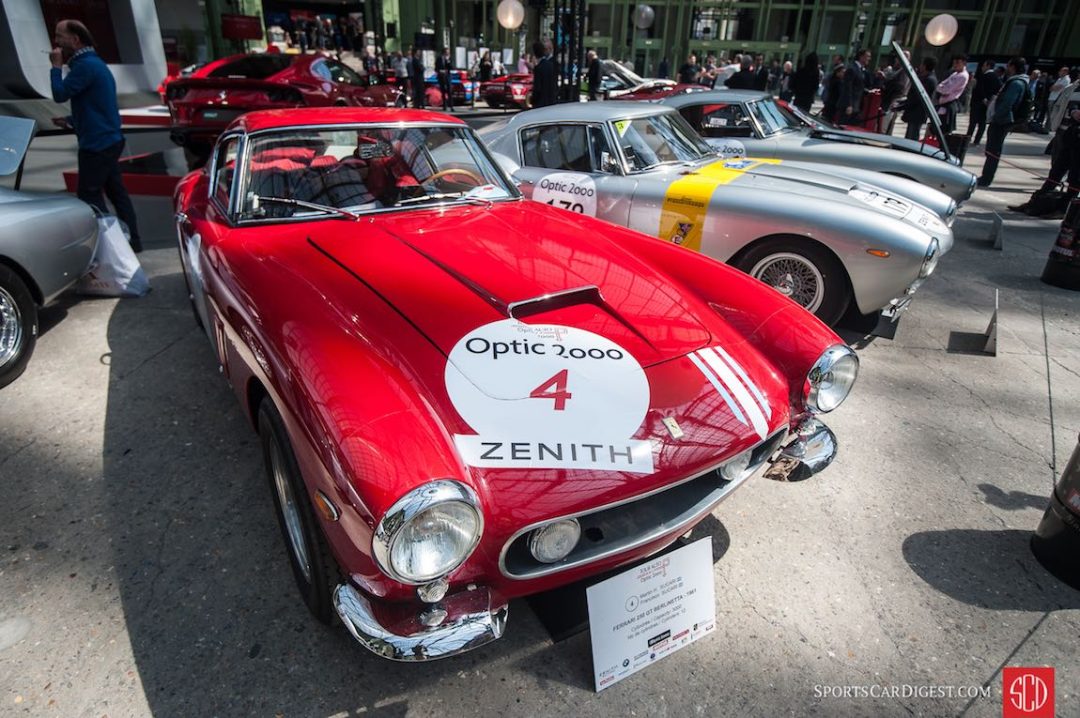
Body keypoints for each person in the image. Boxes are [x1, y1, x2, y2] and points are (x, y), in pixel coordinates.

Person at [49, 19, 141, 253]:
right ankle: (133, 243)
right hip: (109, 139)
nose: (56, 42)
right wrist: (70, 120)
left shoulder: (84, 67)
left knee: (89, 196)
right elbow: (96, 105)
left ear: (75, 40)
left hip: (96, 144)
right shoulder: (94, 64)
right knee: (115, 192)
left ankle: (113, 248)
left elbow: (60, 94)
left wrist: (55, 67)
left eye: (60, 36)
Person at [978, 56, 1030, 187]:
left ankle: (986, 178)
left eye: (1008, 65)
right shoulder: (1018, 81)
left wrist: (996, 116)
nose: (1007, 68)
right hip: (1003, 120)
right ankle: (986, 176)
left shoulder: (1016, 83)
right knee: (992, 150)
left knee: (993, 150)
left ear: (1013, 66)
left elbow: (1007, 103)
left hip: (1002, 121)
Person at [966, 60, 1001, 146]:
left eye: (984, 66)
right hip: (987, 104)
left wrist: (983, 98)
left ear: (988, 66)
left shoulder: (983, 76)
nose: (982, 68)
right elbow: (997, 90)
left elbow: (979, 89)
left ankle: (967, 138)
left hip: (978, 102)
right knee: (982, 123)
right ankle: (977, 141)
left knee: (973, 122)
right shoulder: (996, 78)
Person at [903, 57, 938, 141]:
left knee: (912, 135)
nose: (920, 66)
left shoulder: (929, 80)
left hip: (918, 112)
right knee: (909, 134)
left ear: (925, 66)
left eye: (922, 64)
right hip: (913, 111)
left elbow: (918, 97)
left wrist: (905, 105)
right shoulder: (923, 77)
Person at [933, 55, 970, 134]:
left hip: (949, 104)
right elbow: (941, 84)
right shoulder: (955, 74)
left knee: (943, 131)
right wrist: (941, 87)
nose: (955, 65)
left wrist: (942, 88)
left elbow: (947, 90)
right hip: (942, 103)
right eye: (954, 63)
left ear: (964, 63)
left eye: (957, 63)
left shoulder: (963, 76)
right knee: (935, 128)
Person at [880, 50, 912, 135]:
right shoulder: (895, 69)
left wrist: (886, 80)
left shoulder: (905, 71)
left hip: (895, 99)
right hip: (889, 99)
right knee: (886, 122)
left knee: (886, 123)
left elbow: (900, 86)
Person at [839, 49, 873, 125]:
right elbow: (848, 88)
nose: (869, 59)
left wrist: (867, 91)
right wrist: (849, 105)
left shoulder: (862, 70)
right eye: (867, 56)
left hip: (856, 106)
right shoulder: (852, 69)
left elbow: (859, 86)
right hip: (849, 106)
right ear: (861, 57)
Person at [531, 41, 556, 107]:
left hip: (540, 103)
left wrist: (533, 99)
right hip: (550, 101)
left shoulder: (538, 68)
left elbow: (537, 88)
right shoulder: (551, 65)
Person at [435, 47, 454, 111]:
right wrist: (440, 71)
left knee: (449, 91)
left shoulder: (449, 59)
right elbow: (436, 68)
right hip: (441, 76)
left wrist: (448, 61)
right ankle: (444, 106)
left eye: (448, 52)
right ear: (444, 52)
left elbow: (451, 67)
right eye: (446, 52)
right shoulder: (439, 58)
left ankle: (451, 106)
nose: (447, 53)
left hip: (447, 76)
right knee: (443, 91)